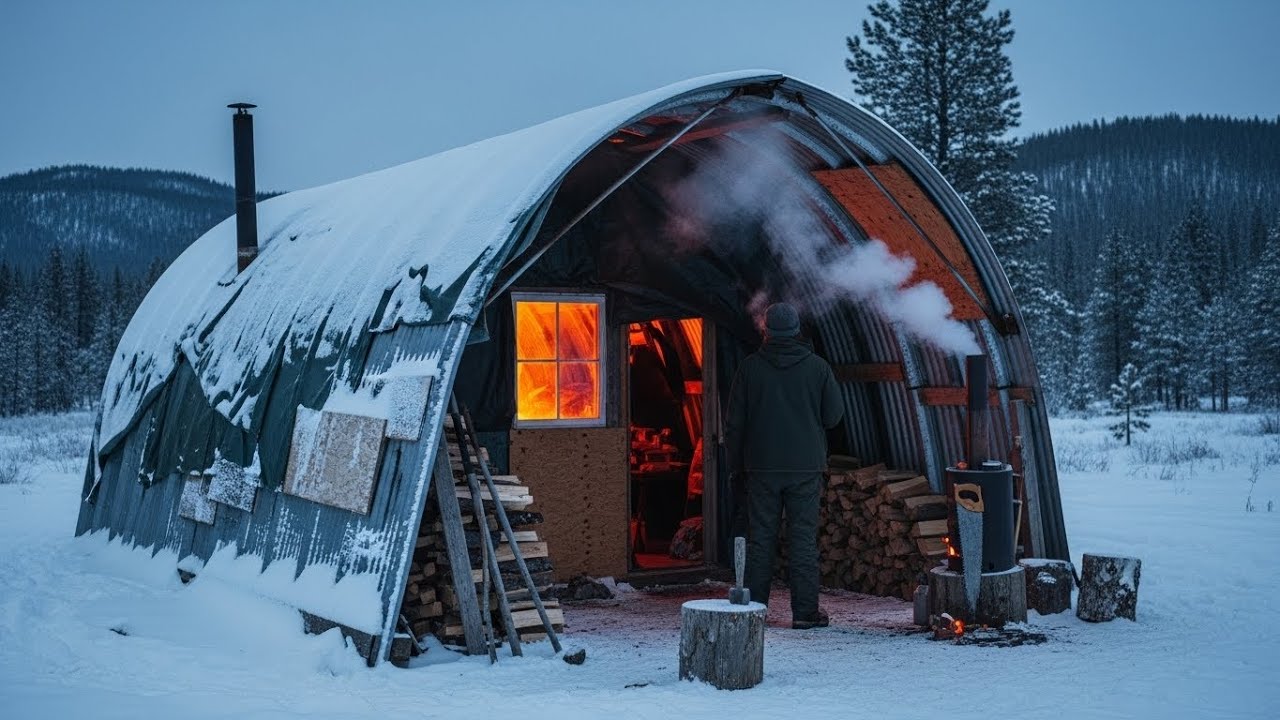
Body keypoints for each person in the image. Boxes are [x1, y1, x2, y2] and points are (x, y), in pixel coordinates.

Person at [725, 302, 843, 629]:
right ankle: (805, 613)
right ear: (796, 330)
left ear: (766, 330)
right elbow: (833, 417)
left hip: (761, 467)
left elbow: (734, 424)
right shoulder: (818, 368)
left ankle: (754, 611)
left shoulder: (750, 369)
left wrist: (735, 466)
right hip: (805, 468)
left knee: (761, 539)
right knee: (802, 540)